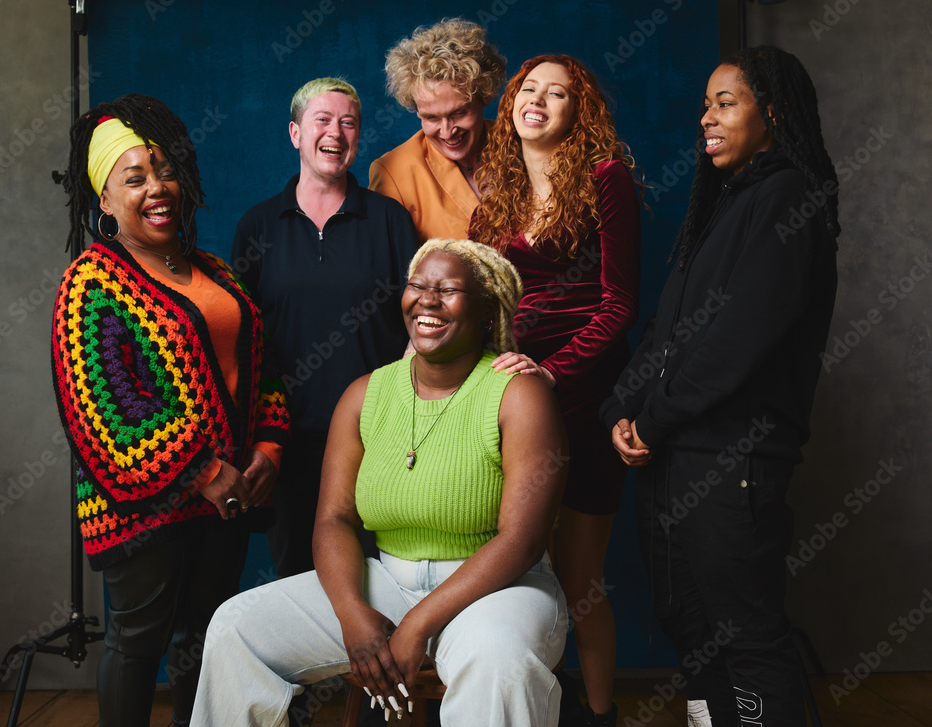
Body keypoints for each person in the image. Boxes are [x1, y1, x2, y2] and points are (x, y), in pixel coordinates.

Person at [190, 239, 569, 727]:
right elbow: (333, 520)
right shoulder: (365, 395)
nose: (427, 300)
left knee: (499, 664)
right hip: (389, 581)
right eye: (418, 286)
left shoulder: (519, 394)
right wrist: (352, 614)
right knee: (236, 628)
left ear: (488, 315)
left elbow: (522, 540)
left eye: (449, 290)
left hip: (499, 592)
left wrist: (417, 625)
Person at [600, 46, 840, 727]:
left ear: (777, 112)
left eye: (725, 102)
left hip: (733, 462)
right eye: (705, 103)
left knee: (747, 634)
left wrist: (653, 421)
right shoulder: (722, 204)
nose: (707, 116)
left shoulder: (789, 199)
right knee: (693, 628)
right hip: (673, 459)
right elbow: (665, 330)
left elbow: (737, 343)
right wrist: (623, 406)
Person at [52, 93, 291, 727]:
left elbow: (260, 372)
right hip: (144, 505)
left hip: (230, 498)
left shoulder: (213, 269)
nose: (157, 188)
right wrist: (207, 472)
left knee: (206, 642)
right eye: (134, 178)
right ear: (104, 200)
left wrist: (268, 447)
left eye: (164, 171)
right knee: (139, 644)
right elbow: (110, 410)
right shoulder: (91, 283)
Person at [469, 54, 643, 726]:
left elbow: (619, 304)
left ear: (580, 112)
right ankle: (536, 709)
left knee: (581, 580)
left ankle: (600, 715)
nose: (538, 99)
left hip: (586, 395)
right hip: (516, 405)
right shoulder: (499, 194)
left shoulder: (606, 179)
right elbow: (483, 301)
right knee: (520, 577)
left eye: (558, 92)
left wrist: (553, 371)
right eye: (528, 88)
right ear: (511, 103)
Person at [231, 77, 417, 581]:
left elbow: (421, 324)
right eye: (323, 119)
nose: (336, 131)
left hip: (377, 434)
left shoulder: (390, 220)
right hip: (286, 441)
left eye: (349, 122)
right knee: (297, 578)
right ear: (295, 133)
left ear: (358, 138)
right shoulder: (258, 227)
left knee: (380, 581)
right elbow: (241, 341)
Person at [369, 19, 506, 242]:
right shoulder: (392, 173)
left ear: (484, 96)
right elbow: (384, 265)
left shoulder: (521, 144)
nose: (447, 131)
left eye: (459, 113)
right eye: (431, 117)